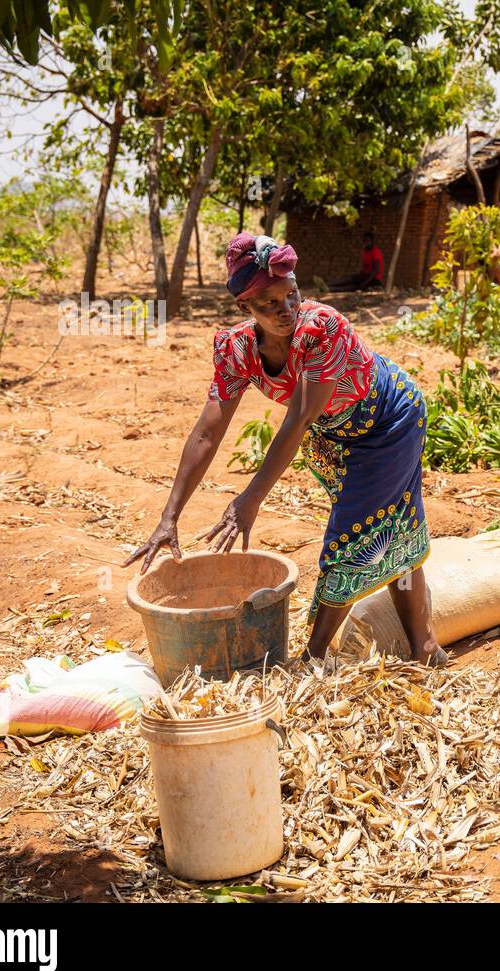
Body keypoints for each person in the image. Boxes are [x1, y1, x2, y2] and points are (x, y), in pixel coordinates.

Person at [124, 233, 445, 666]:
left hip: (388, 422)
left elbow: (297, 420)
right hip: (332, 435)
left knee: (354, 532)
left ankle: (312, 660)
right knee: (387, 526)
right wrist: (169, 516)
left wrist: (249, 499)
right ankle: (425, 648)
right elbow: (206, 433)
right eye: (269, 304)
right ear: (245, 309)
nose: (286, 310)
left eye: (291, 294)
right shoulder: (237, 349)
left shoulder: (322, 328)